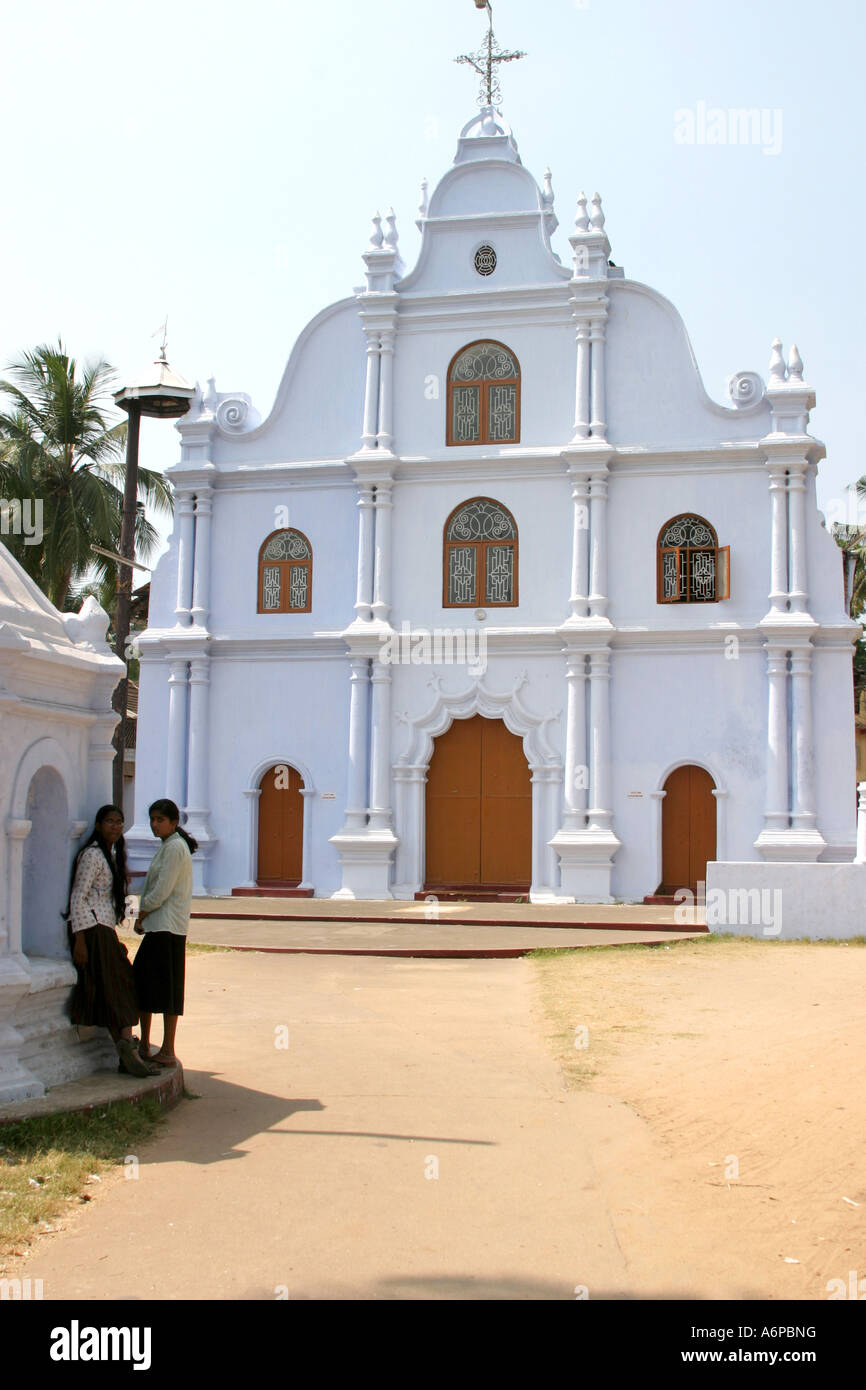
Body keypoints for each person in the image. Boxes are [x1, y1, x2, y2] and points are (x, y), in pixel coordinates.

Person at [66, 806, 158, 1078]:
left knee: (117, 986)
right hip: (93, 929)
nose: (115, 827)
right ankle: (127, 1049)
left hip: (105, 928)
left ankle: (125, 1048)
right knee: (117, 985)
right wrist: (80, 940)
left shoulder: (113, 855)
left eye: (119, 822)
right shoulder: (93, 856)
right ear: (98, 825)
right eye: (109, 822)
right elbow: (77, 896)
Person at [133, 799, 196, 1067]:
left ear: (173, 823)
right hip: (160, 926)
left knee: (166, 990)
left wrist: (141, 912)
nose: (155, 824)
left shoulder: (174, 849)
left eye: (160, 820)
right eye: (153, 819)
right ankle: (146, 1043)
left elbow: (161, 890)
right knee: (145, 985)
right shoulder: (167, 847)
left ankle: (167, 1048)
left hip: (167, 926)